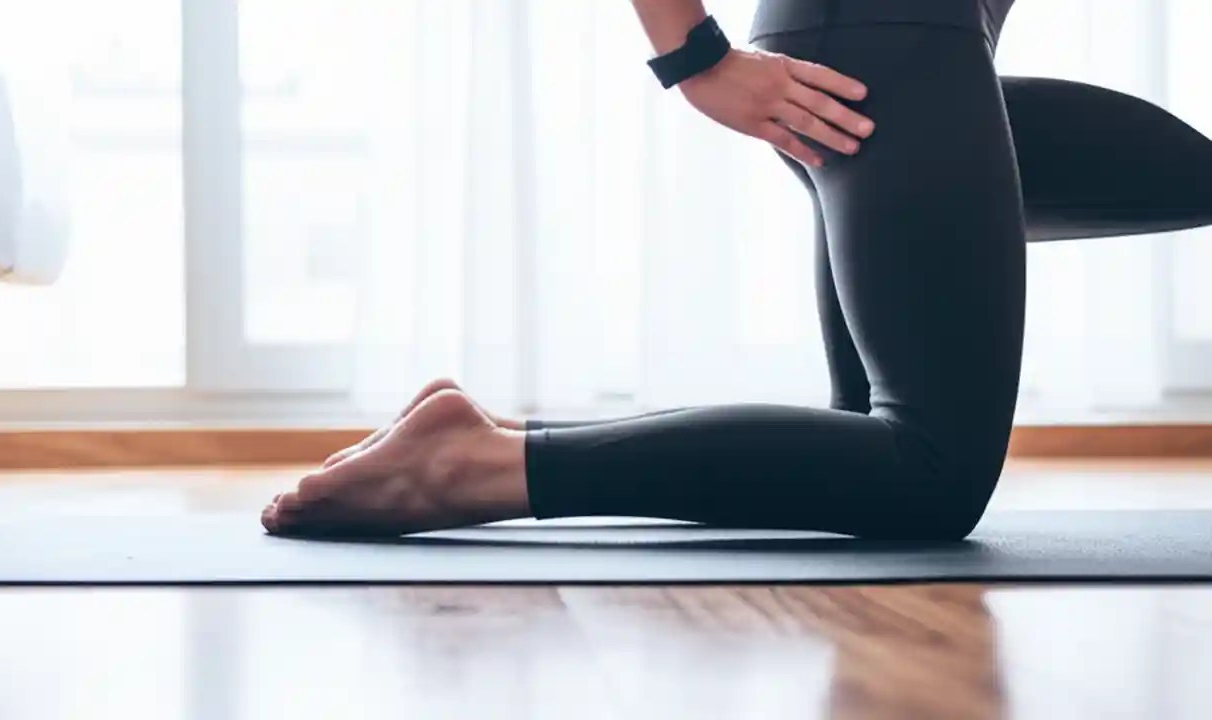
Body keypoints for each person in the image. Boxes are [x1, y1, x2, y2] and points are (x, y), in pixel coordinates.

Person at [261, 0, 1024, 541]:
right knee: (931, 472)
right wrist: (696, 57)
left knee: (1147, 162)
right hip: (896, 50)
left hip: (918, 53)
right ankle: (484, 465)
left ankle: (490, 438)